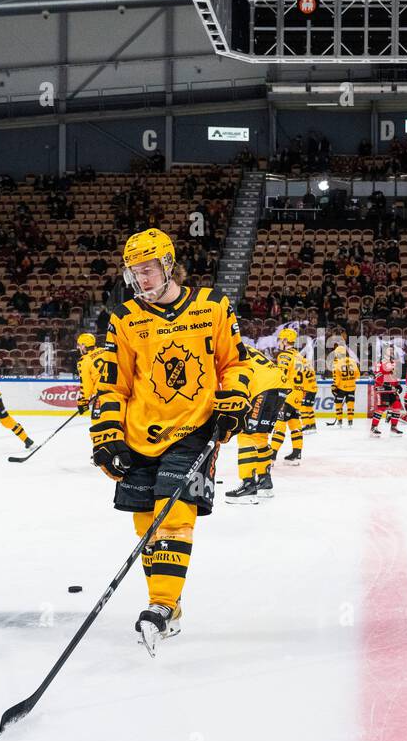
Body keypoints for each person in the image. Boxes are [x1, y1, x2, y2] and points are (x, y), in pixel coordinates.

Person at [89, 228, 251, 655]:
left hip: (194, 428)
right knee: (146, 523)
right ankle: (170, 606)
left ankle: (160, 606)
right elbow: (112, 386)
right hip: (141, 433)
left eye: (146, 269)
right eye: (133, 272)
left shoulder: (212, 306)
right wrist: (106, 436)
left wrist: (233, 400)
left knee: (173, 516)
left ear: (168, 264)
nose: (140, 279)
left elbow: (235, 362)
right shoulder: (124, 319)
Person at [225, 345, 291, 504]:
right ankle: (264, 482)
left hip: (262, 388)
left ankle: (248, 485)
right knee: (261, 436)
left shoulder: (221, 346)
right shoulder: (240, 344)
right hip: (280, 386)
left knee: (246, 434)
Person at [271, 328, 307, 466]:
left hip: (287, 393)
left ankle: (272, 456)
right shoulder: (299, 356)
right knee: (294, 423)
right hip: (298, 393)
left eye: (281, 339)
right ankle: (296, 454)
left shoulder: (284, 356)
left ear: (286, 340)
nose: (279, 342)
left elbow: (282, 375)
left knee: (279, 424)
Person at [75, 332, 114, 417]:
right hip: (118, 391)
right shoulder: (105, 350)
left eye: (79, 345)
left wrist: (83, 401)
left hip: (102, 396)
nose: (78, 347)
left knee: (99, 425)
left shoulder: (83, 362)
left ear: (83, 345)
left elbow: (86, 386)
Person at [369, 343, 405, 436]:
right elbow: (379, 375)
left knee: (397, 406)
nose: (392, 351)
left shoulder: (393, 362)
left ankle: (393, 428)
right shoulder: (380, 362)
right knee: (381, 408)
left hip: (392, 389)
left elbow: (393, 375)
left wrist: (397, 384)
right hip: (383, 389)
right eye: (389, 349)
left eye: (392, 349)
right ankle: (373, 428)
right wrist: (384, 384)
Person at [327, 343, 361, 426]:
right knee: (350, 404)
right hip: (352, 387)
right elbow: (358, 376)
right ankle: (350, 421)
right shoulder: (352, 361)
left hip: (341, 387)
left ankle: (340, 421)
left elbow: (336, 378)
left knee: (338, 403)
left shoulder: (336, 363)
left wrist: (334, 386)